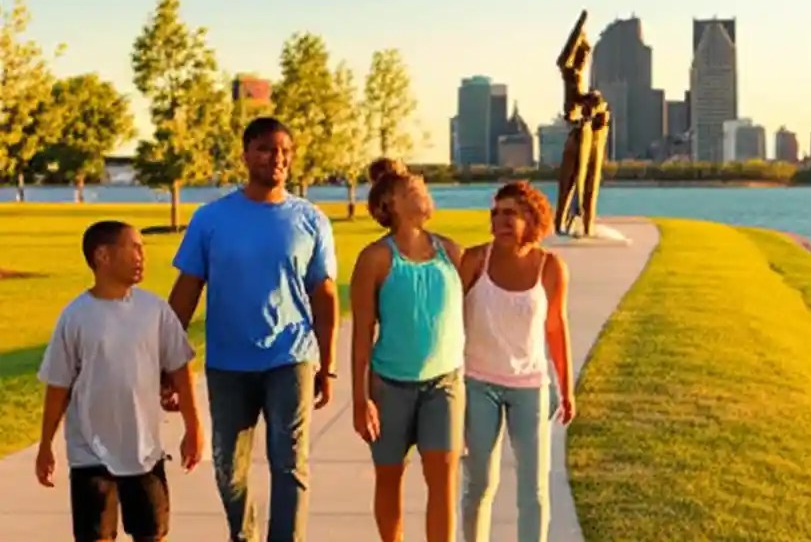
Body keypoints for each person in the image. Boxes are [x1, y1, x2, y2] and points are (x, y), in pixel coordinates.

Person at [166, 117, 339, 542]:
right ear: (245, 155)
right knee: (229, 468)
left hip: (290, 356)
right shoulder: (210, 219)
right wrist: (164, 363)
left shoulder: (311, 219)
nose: (276, 158)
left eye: (284, 151)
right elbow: (186, 292)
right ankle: (242, 536)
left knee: (290, 463)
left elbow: (325, 295)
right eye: (265, 149)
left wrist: (326, 365)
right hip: (228, 363)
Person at [36, 220, 203, 542]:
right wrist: (45, 446)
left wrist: (193, 428)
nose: (142, 256)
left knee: (152, 533)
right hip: (90, 454)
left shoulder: (154, 310)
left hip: (144, 452)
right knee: (96, 535)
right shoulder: (76, 317)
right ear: (103, 256)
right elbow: (58, 386)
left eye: (143, 248)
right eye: (134, 248)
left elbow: (181, 370)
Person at [349, 158, 466, 542]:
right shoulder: (376, 258)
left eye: (423, 188)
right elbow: (362, 334)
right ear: (390, 205)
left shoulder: (451, 251)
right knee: (389, 476)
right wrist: (360, 399)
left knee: (443, 480)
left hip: (444, 385)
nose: (423, 193)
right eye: (412, 189)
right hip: (389, 388)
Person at [458, 181, 575, 542]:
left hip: (530, 387)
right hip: (478, 383)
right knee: (479, 482)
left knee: (534, 489)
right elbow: (449, 322)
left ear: (532, 217)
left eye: (510, 213)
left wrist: (567, 389)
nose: (500, 220)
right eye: (495, 213)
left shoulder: (551, 267)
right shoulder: (476, 260)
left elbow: (556, 328)